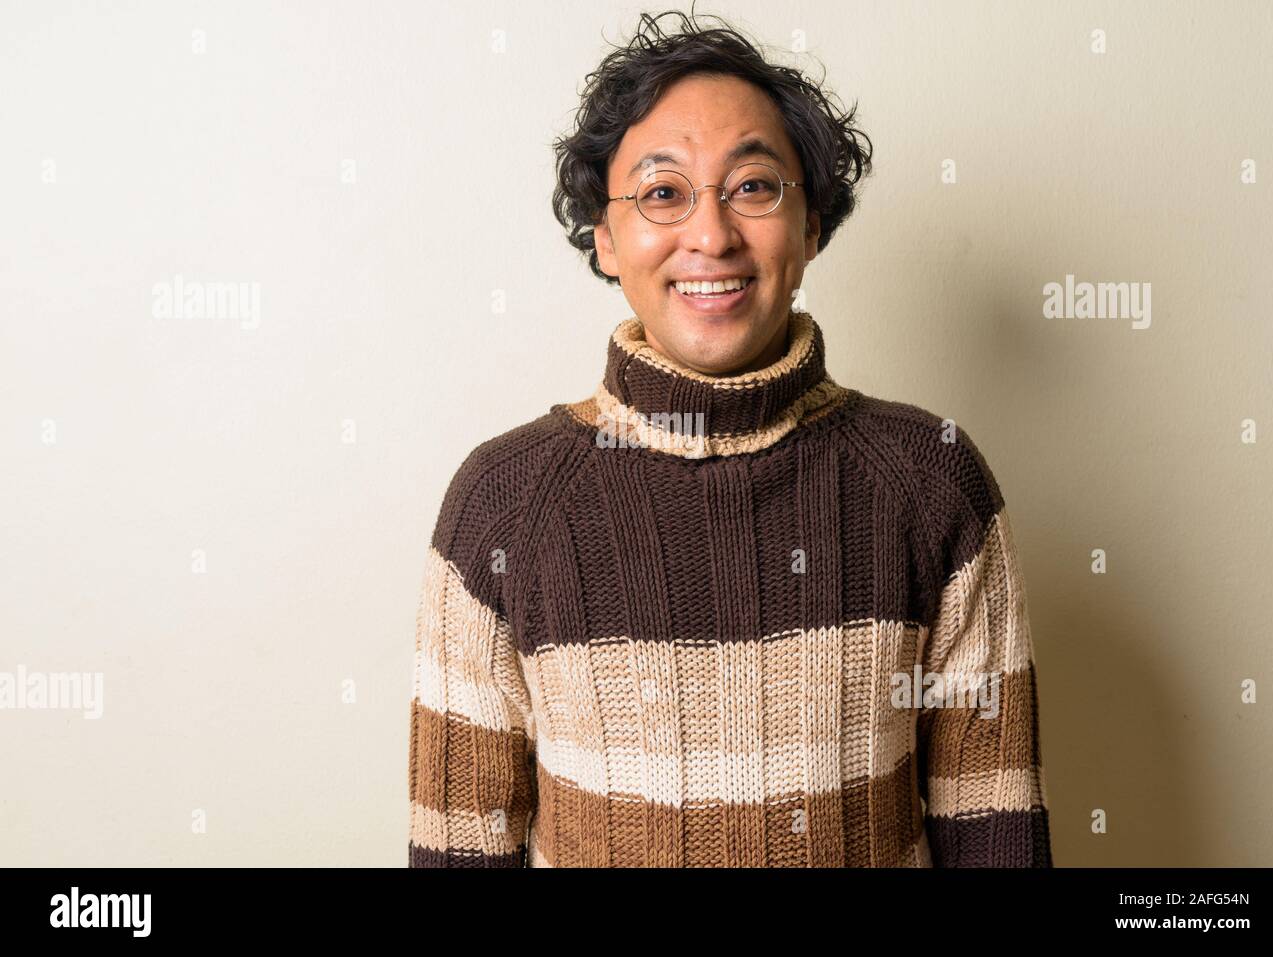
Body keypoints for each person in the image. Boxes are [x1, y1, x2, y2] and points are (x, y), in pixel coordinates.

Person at [408, 9, 1051, 867]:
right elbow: (457, 850)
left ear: (812, 222)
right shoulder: (503, 503)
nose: (710, 236)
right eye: (662, 192)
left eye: (753, 186)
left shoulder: (933, 481)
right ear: (605, 237)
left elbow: (998, 837)